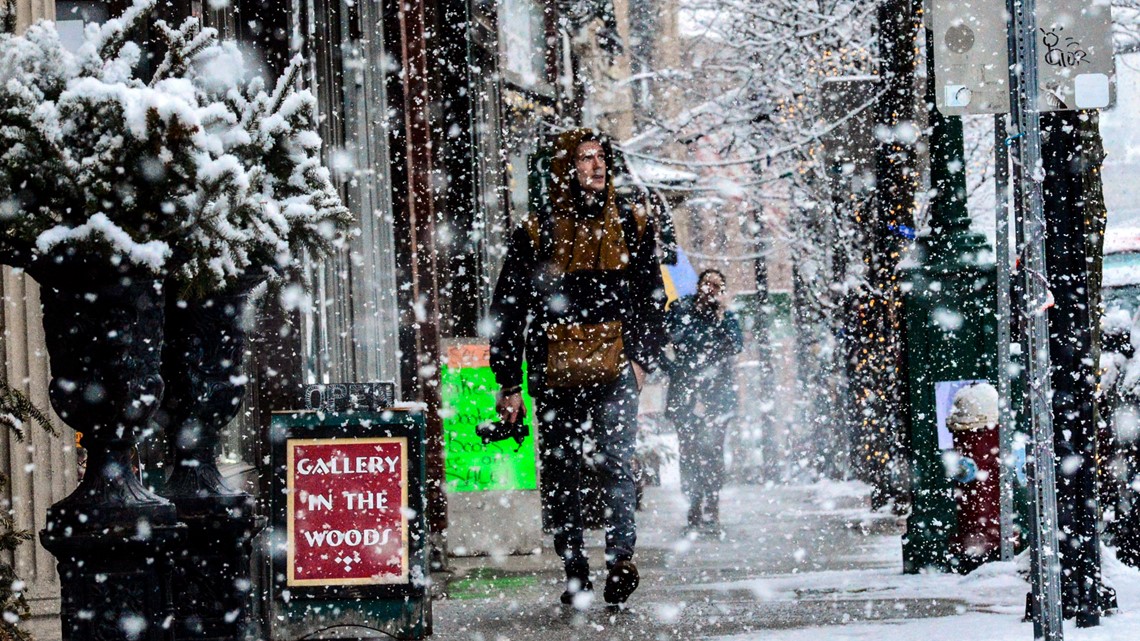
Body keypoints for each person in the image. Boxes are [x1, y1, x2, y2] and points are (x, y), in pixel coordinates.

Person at [488, 129, 667, 608]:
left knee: (616, 466)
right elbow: (508, 306)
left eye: (600, 157)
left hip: (614, 368)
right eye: (586, 158)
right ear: (567, 168)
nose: (597, 166)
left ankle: (620, 559)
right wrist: (508, 380)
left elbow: (653, 294)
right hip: (554, 370)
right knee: (563, 472)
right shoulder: (537, 231)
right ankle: (575, 571)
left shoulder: (631, 223)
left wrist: (641, 358)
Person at [665, 269, 743, 533]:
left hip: (717, 396)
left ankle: (712, 503)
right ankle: (694, 503)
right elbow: (667, 339)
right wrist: (674, 370)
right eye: (707, 283)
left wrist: (723, 316)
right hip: (685, 394)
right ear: (699, 286)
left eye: (717, 286)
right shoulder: (681, 311)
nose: (711, 289)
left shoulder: (725, 316)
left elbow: (736, 344)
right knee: (688, 452)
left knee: (712, 452)